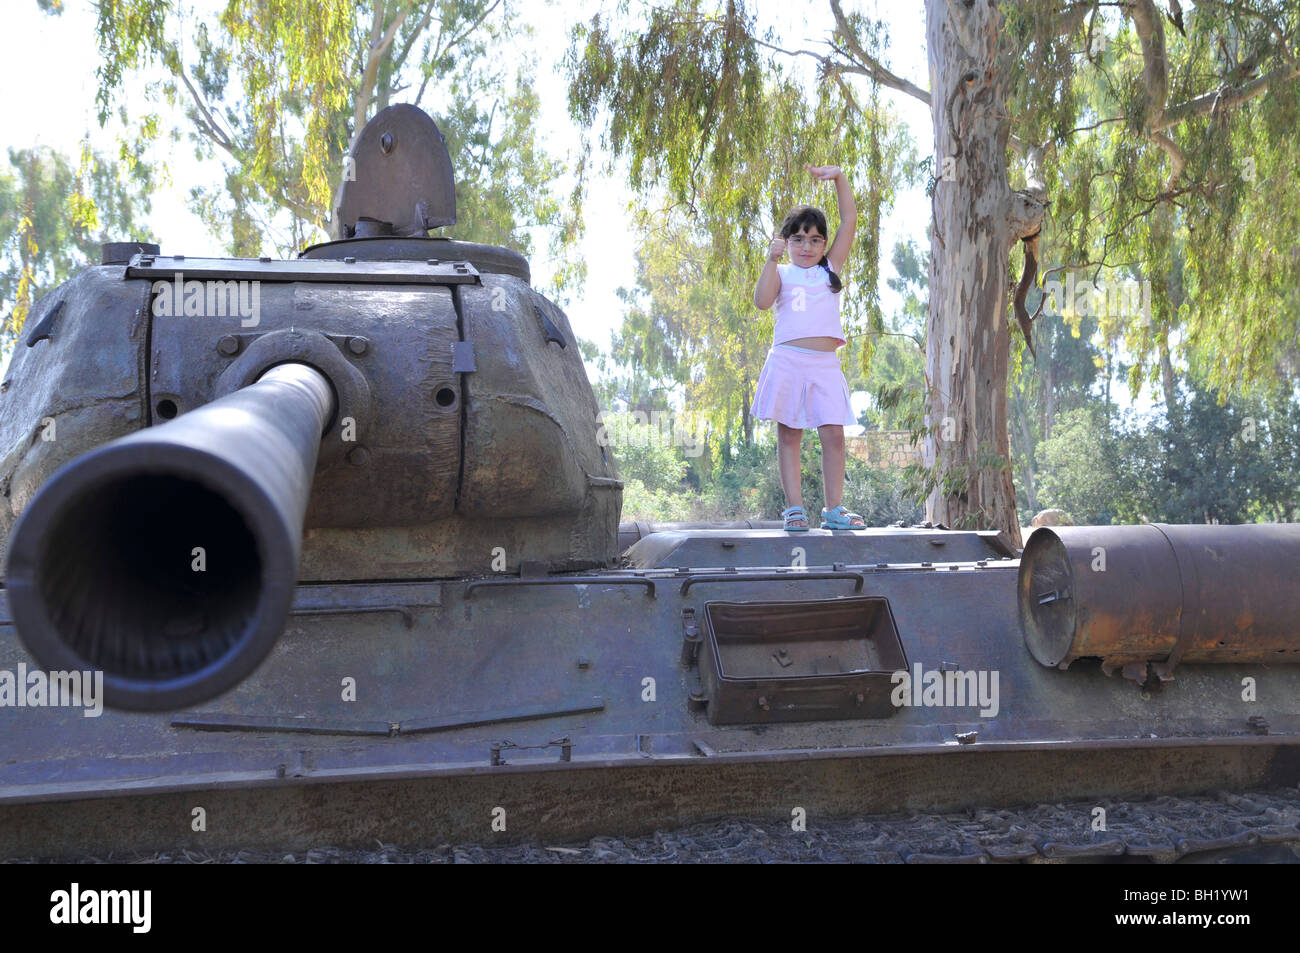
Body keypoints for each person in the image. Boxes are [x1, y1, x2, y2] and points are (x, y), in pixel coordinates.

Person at [751, 164, 863, 532]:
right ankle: (795, 509)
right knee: (790, 433)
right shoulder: (782, 272)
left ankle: (834, 510)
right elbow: (762, 302)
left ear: (823, 244)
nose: (807, 246)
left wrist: (838, 177)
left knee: (833, 434)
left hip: (825, 365)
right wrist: (770, 259)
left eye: (815, 239)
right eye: (798, 239)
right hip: (787, 361)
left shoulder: (829, 269)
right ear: (786, 241)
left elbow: (849, 218)